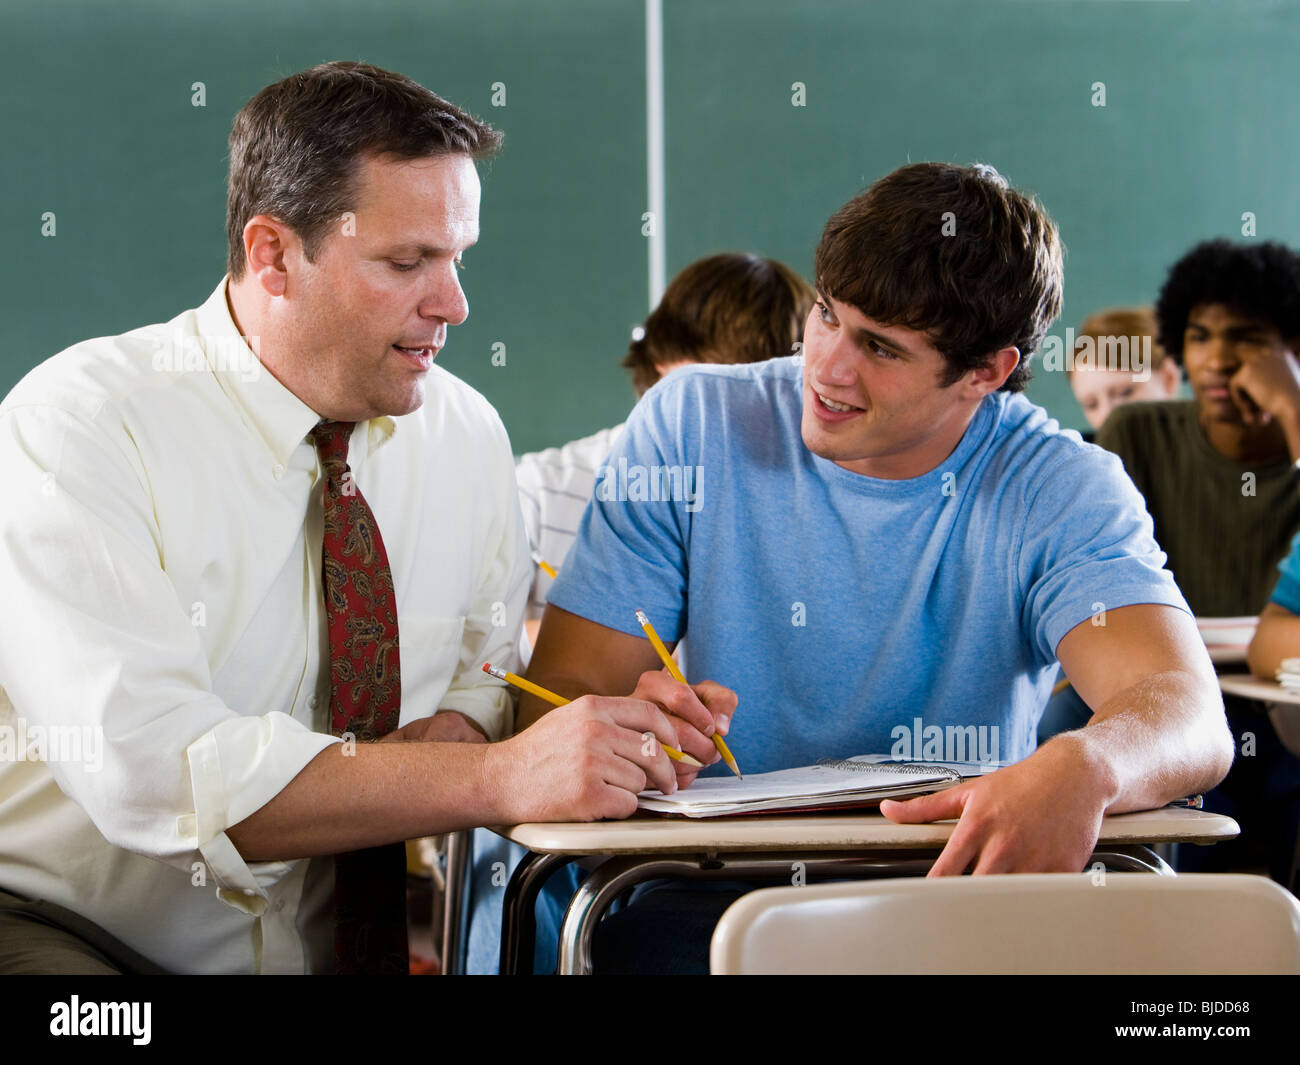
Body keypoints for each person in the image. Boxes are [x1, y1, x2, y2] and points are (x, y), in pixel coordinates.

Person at [0, 61, 690, 975]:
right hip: (80, 935)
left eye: (457, 258)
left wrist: (591, 739)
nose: (455, 304)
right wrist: (494, 776)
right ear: (272, 254)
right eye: (407, 263)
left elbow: (476, 696)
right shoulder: (78, 425)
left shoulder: (466, 432)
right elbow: (160, 774)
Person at [516, 162, 1234, 973]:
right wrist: (633, 729)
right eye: (827, 314)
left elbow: (1189, 715)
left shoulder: (1059, 484)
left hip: (956, 888)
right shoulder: (691, 424)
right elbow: (558, 706)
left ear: (986, 373)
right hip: (715, 888)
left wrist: (1089, 761)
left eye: (880, 347)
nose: (826, 367)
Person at [463, 253, 813, 973]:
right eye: (699, 387)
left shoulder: (802, 493)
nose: (716, 418)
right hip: (600, 812)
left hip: (724, 824)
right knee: (521, 873)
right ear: (656, 370)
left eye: (751, 391)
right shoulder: (542, 488)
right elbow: (487, 658)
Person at [1089, 240, 1300, 886]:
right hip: (1175, 699)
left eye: (1246, 338)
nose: (1217, 358)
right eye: (1200, 336)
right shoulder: (1137, 433)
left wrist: (1296, 412)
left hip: (1284, 711)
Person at [515, 252, 814, 647]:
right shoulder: (535, 492)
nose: (730, 414)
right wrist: (592, 630)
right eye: (713, 384)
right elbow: (479, 656)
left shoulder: (804, 507)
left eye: (764, 393)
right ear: (664, 364)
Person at [1066, 306, 1181, 439]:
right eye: (1092, 405)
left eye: (1124, 393)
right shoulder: (1079, 455)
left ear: (1168, 378)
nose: (1107, 416)